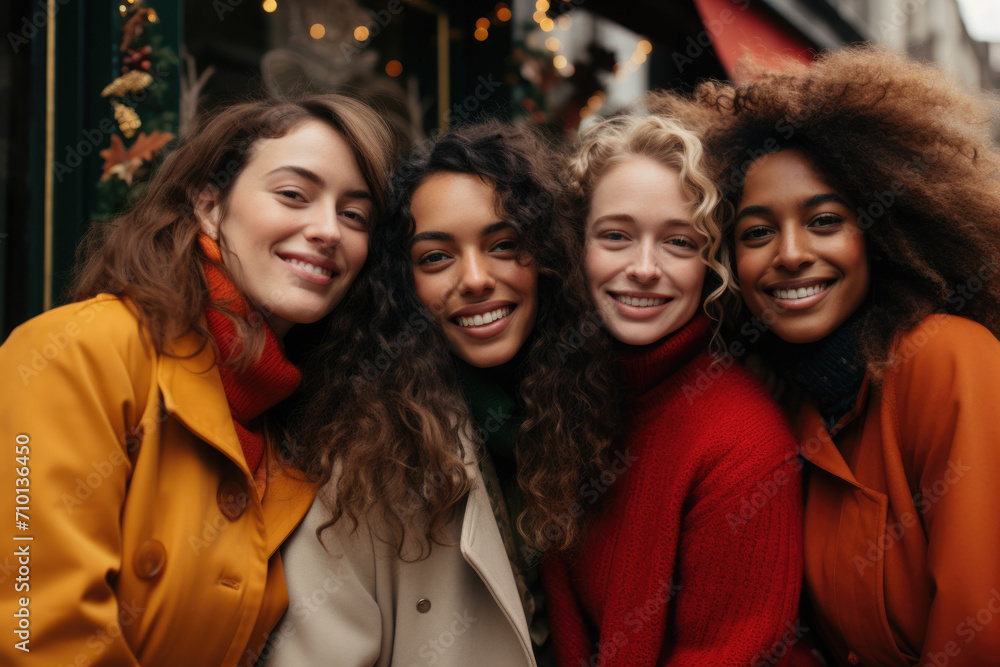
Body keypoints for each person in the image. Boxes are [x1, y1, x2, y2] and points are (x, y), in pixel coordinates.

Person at [0, 94, 397, 666]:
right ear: (209, 206)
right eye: (293, 194)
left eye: (354, 214)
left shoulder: (297, 417)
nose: (327, 229)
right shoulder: (76, 352)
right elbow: (32, 632)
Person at [261, 120, 619, 667]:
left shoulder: (587, 415)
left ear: (549, 257)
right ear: (403, 287)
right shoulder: (361, 460)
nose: (475, 278)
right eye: (436, 257)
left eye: (504, 245)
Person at [695, 45, 1000, 666]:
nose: (789, 254)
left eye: (825, 221)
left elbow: (980, 631)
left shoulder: (946, 357)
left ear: (882, 235)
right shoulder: (801, 404)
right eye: (756, 232)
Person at [541, 112, 813, 667]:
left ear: (711, 266)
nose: (644, 268)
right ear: (577, 246)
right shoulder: (568, 394)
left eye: (679, 242)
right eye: (616, 235)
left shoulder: (745, 446)